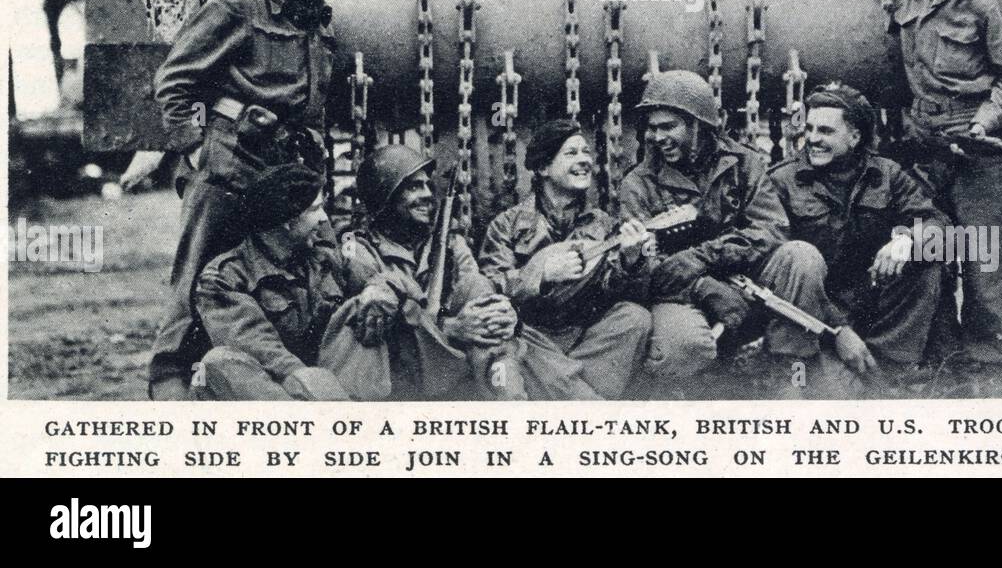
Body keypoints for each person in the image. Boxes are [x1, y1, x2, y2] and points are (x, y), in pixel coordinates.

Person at [755, 0, 1002, 381]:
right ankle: (940, 358)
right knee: (929, 251)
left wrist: (986, 122)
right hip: (925, 147)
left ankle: (994, 373)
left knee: (982, 261)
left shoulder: (990, 2)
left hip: (980, 150)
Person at [147, 0, 350, 399]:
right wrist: (197, 145)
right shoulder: (237, 9)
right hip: (231, 166)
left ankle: (268, 378)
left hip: (286, 169)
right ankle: (168, 384)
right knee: (198, 271)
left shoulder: (313, 17)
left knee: (297, 268)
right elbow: (174, 82)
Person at [766, 84, 954, 395]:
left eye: (826, 130)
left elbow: (939, 225)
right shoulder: (783, 182)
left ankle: (892, 371)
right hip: (816, 317)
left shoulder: (887, 175)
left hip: (873, 306)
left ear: (855, 137)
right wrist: (838, 328)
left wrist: (906, 240)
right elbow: (778, 272)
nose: (812, 138)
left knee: (927, 259)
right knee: (829, 398)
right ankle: (817, 377)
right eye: (809, 128)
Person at [618, 70, 797, 384]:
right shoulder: (638, 183)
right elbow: (643, 270)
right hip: (679, 295)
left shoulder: (744, 164)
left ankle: (789, 372)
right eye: (653, 128)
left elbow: (773, 229)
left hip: (745, 278)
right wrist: (701, 286)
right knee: (682, 345)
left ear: (698, 124)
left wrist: (704, 257)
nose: (658, 137)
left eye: (669, 126)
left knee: (800, 256)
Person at [479, 120, 655, 399]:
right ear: (543, 168)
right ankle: (580, 396)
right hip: (529, 337)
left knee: (635, 318)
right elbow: (488, 291)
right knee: (502, 336)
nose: (585, 160)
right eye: (571, 153)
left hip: (583, 340)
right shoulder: (507, 225)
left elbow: (618, 294)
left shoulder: (604, 226)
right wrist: (540, 274)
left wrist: (630, 261)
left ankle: (554, 385)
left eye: (586, 152)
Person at [341, 144, 529, 400]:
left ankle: (511, 405)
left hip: (453, 363)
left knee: (479, 288)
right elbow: (385, 329)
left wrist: (501, 313)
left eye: (428, 185)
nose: (428, 195)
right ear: (385, 196)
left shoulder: (448, 242)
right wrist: (450, 327)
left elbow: (473, 293)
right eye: (413, 187)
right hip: (401, 374)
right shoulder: (361, 252)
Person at [192, 164, 390, 401]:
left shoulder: (322, 255)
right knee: (218, 362)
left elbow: (378, 277)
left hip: (331, 382)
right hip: (274, 390)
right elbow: (261, 349)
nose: (324, 219)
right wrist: (315, 388)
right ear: (287, 221)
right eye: (315, 209)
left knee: (371, 307)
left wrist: (376, 291)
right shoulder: (224, 278)